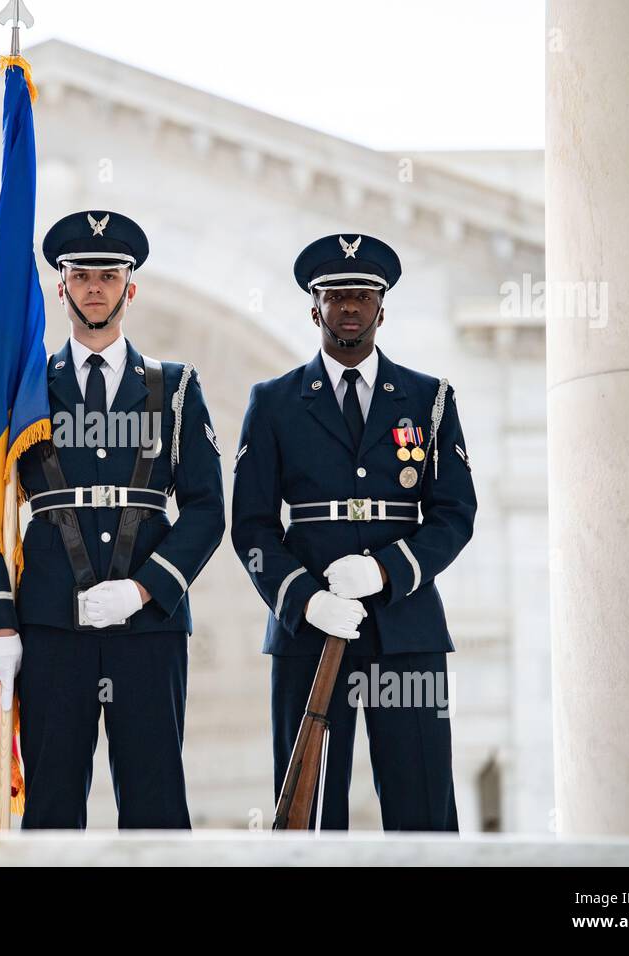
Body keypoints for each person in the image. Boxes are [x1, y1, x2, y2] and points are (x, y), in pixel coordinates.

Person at [0, 210, 225, 829]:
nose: (94, 288)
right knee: (53, 806)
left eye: (108, 275)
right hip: (53, 621)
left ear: (130, 288)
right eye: (81, 275)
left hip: (149, 625)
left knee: (157, 800)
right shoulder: (24, 389)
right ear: (61, 287)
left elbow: (208, 510)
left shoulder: (175, 387)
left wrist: (144, 588)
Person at [230, 233, 476, 830]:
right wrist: (304, 600)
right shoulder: (274, 402)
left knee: (422, 803)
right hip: (310, 631)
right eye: (335, 294)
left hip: (406, 625)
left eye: (362, 295)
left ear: (382, 308)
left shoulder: (429, 399)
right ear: (314, 306)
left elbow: (454, 515)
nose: (348, 306)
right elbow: (252, 526)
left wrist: (387, 570)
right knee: (309, 810)